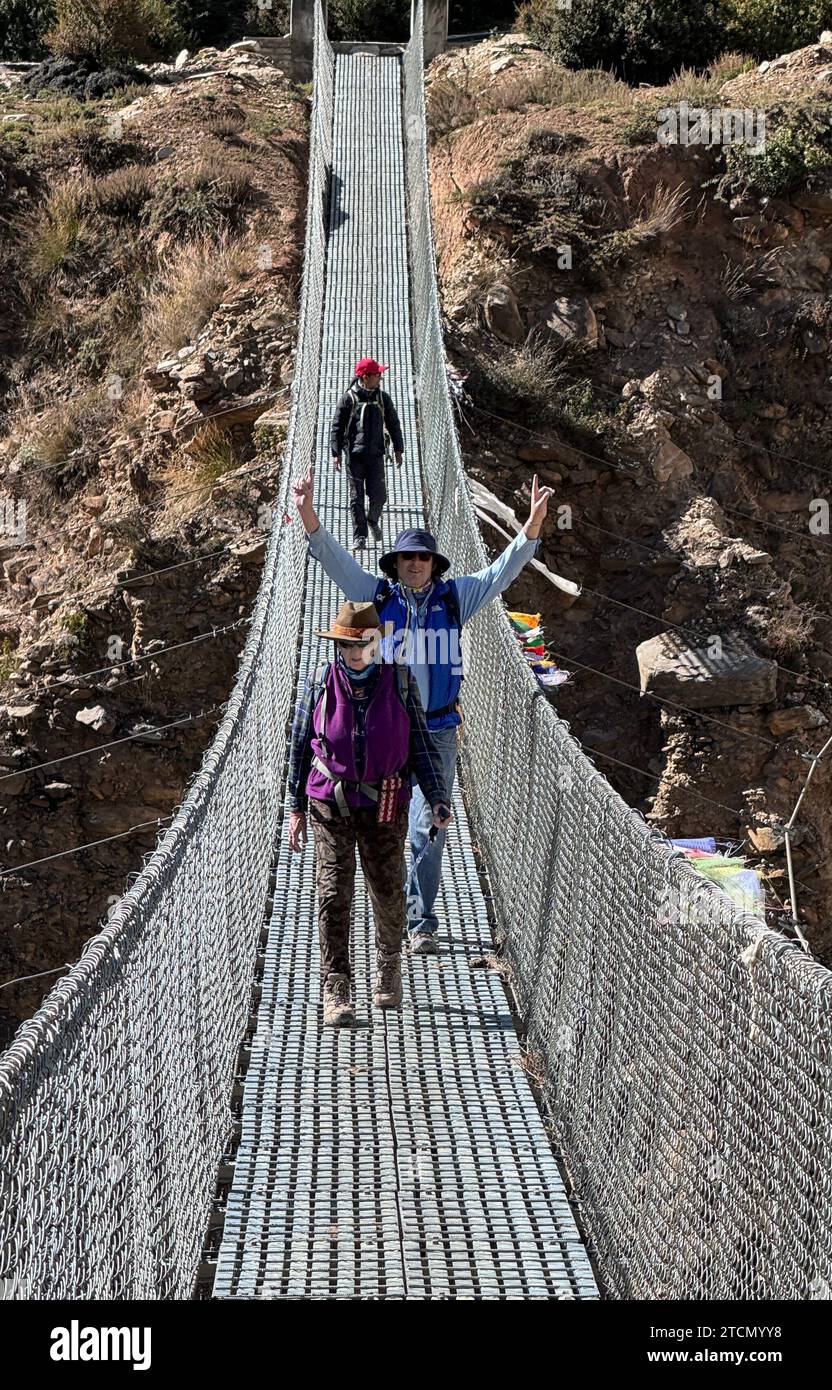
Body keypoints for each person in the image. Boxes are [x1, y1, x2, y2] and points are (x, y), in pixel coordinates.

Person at [290, 465, 553, 955]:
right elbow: (338, 564)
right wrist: (308, 513)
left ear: (434, 563)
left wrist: (531, 528)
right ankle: (389, 914)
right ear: (396, 563)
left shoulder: (456, 599)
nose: (415, 563)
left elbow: (501, 573)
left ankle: (421, 921)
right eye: (408, 556)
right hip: (388, 728)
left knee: (430, 822)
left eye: (423, 557)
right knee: (387, 823)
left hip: (437, 729)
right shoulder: (380, 596)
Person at [287, 599, 452, 1026]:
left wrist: (436, 796)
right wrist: (294, 807)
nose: (354, 653)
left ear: (379, 642)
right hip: (330, 802)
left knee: (388, 889)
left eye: (362, 644)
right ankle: (335, 988)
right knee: (332, 892)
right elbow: (300, 743)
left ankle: (388, 966)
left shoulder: (399, 681)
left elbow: (420, 742)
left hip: (385, 803)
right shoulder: (321, 682)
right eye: (346, 645)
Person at [329, 356, 405, 551]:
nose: (380, 377)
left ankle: (372, 520)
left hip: (376, 455)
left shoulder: (383, 398)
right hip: (354, 457)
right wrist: (335, 453)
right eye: (378, 374)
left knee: (379, 496)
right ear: (366, 377)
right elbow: (337, 426)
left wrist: (398, 448)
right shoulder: (349, 399)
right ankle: (360, 536)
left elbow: (393, 423)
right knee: (357, 498)